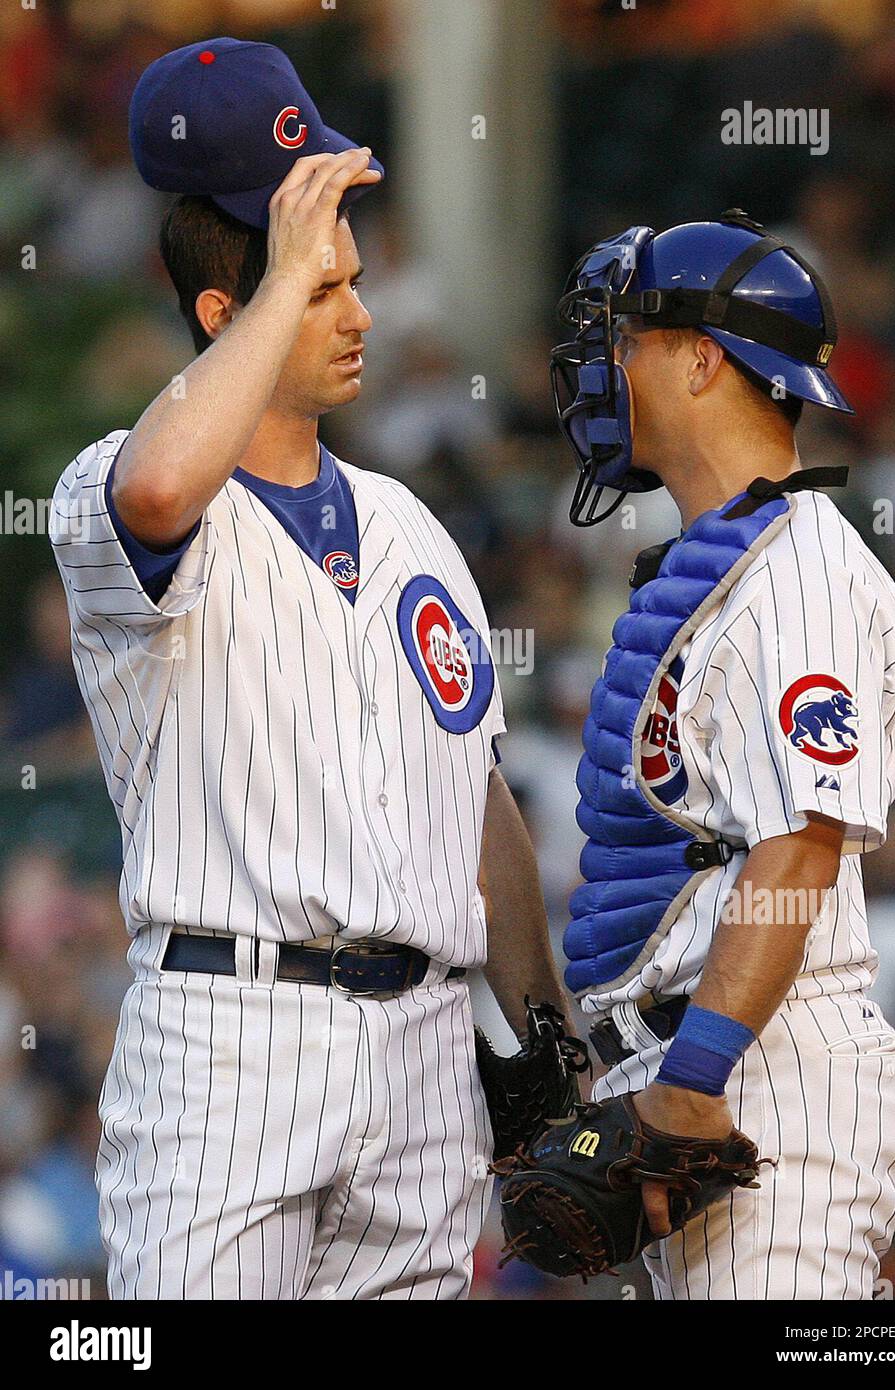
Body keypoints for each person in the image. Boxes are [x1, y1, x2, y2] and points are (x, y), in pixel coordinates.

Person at [49, 37, 566, 1301]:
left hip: (427, 1052)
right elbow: (165, 485)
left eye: (344, 277)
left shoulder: (406, 520)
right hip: (235, 1039)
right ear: (229, 310)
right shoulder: (105, 488)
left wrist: (545, 1040)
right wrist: (284, 273)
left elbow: (476, 794)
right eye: (322, 285)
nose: (360, 310)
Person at [549, 210, 895, 1299]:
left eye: (625, 335)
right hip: (712, 1068)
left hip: (767, 1076)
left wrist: (693, 1074)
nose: (602, 363)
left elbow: (799, 848)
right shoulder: (735, 560)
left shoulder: (801, 574)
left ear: (704, 359)